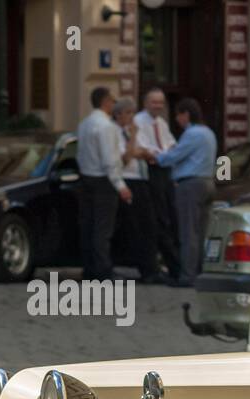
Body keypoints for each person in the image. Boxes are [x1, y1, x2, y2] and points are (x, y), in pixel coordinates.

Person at [155, 98, 217, 287]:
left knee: (188, 232)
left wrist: (157, 157)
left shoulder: (192, 133)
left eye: (178, 115)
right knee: (201, 231)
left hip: (190, 184)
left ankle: (187, 275)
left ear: (186, 114)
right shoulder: (208, 132)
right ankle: (199, 270)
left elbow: (174, 156)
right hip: (208, 182)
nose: (176, 119)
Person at [75, 87, 130, 280]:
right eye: (113, 101)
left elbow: (80, 154)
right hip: (103, 182)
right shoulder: (107, 126)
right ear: (106, 102)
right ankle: (103, 270)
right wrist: (120, 185)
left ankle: (89, 268)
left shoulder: (83, 125)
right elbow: (110, 159)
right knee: (103, 229)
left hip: (85, 179)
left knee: (88, 226)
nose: (114, 105)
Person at [134, 87, 181, 283]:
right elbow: (144, 149)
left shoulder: (161, 123)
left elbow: (171, 144)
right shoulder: (138, 121)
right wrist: (161, 154)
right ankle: (164, 266)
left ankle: (173, 266)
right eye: (154, 102)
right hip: (150, 173)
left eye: (161, 103)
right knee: (158, 219)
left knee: (169, 217)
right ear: (146, 103)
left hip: (164, 171)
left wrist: (164, 153)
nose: (158, 106)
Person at [111, 97, 159, 281]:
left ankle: (150, 268)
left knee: (149, 225)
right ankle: (144, 269)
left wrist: (136, 150)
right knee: (136, 226)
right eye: (128, 113)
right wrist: (133, 144)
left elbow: (148, 152)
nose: (131, 117)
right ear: (119, 115)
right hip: (127, 180)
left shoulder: (131, 130)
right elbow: (126, 158)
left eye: (132, 112)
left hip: (142, 179)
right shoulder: (116, 132)